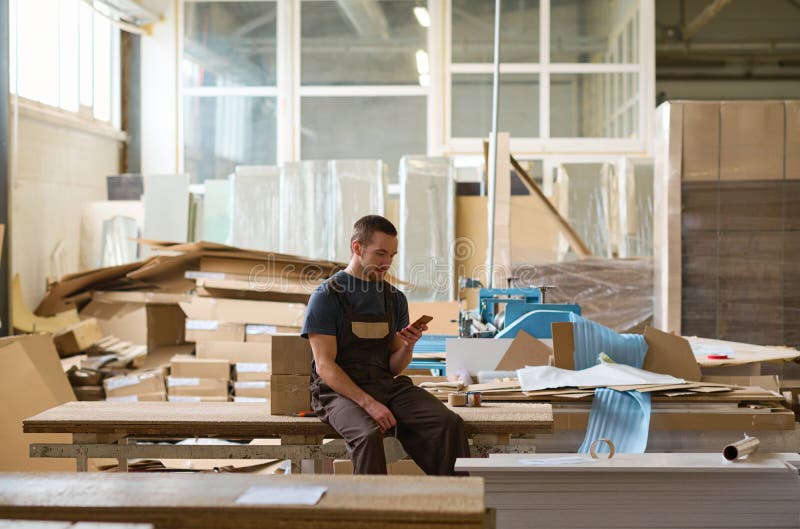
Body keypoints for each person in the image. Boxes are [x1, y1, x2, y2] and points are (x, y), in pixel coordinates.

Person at [301, 214, 470, 475]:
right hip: (337, 392)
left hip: (383, 384)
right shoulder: (327, 296)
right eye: (380, 254)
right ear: (357, 248)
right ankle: (374, 501)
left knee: (448, 422)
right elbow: (325, 366)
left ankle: (458, 497)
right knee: (368, 435)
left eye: (392, 255)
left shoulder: (394, 299)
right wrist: (369, 404)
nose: (387, 263)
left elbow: (393, 367)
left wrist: (407, 347)